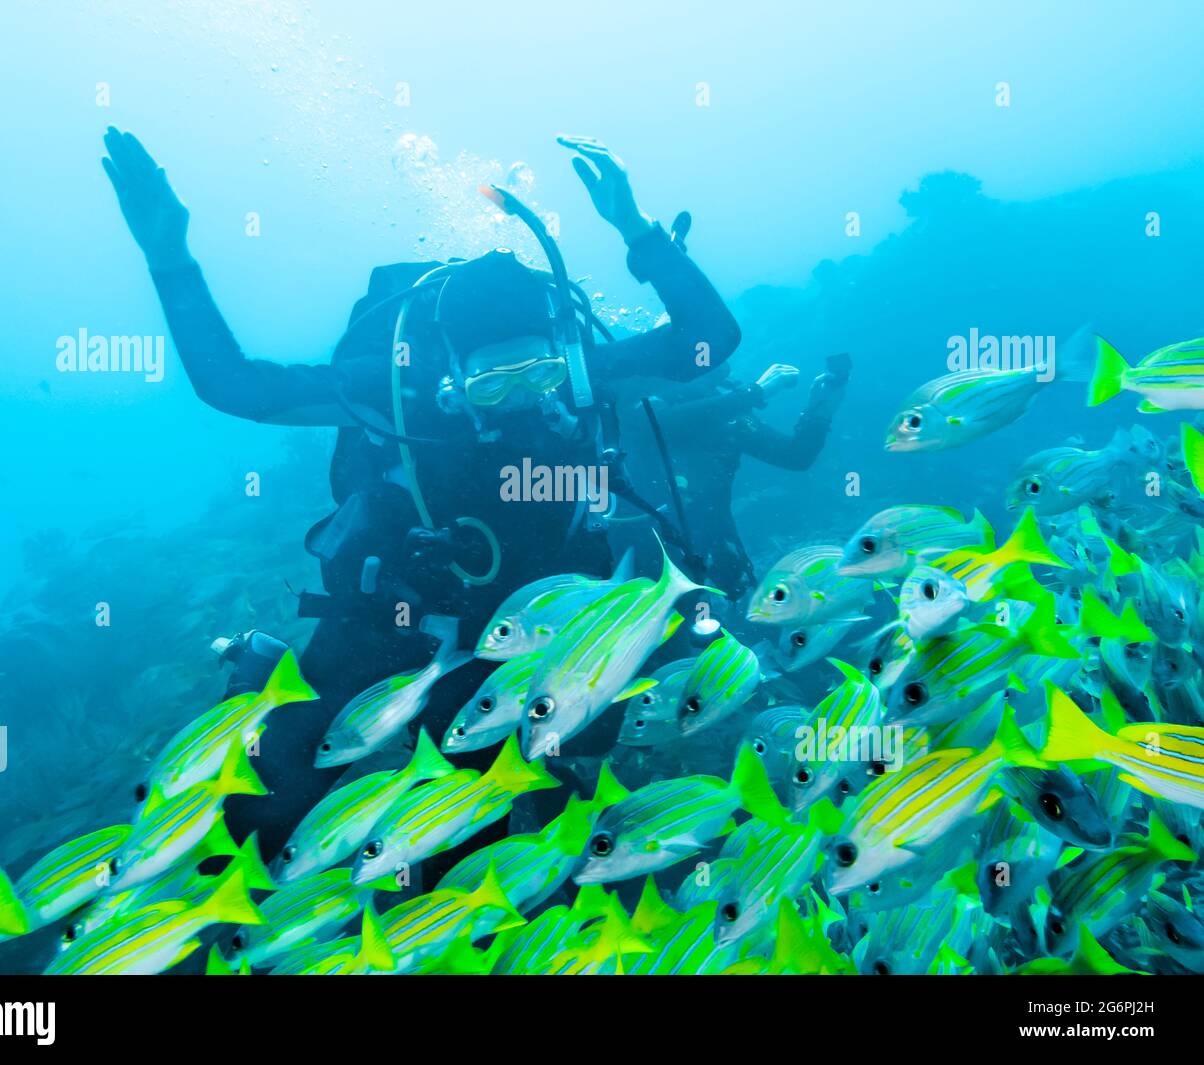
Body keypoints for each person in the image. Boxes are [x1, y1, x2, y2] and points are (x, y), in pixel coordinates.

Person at [101, 129, 742, 858]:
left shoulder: (583, 370)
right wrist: (168, 254)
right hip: (390, 615)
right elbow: (235, 384)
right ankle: (261, 678)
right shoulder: (403, 388)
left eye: (538, 373)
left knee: (473, 853)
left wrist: (637, 230)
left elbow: (712, 337)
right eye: (491, 382)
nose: (519, 400)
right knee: (255, 819)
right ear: (451, 375)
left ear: (561, 355)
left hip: (530, 635)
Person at [645, 353, 850, 603]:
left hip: (703, 546)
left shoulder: (729, 416)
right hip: (644, 543)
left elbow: (795, 457)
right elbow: (660, 425)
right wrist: (754, 393)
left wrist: (819, 411)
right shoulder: (644, 403)